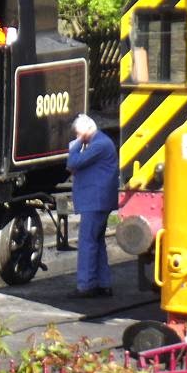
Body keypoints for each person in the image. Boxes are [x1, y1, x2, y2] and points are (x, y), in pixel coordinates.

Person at [66, 114, 118, 298]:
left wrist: (76, 145)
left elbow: (73, 163)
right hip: (99, 201)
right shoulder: (101, 143)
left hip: (96, 201)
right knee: (97, 242)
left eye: (80, 134)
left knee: (87, 242)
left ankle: (86, 285)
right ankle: (103, 283)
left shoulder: (99, 144)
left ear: (88, 129)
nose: (79, 137)